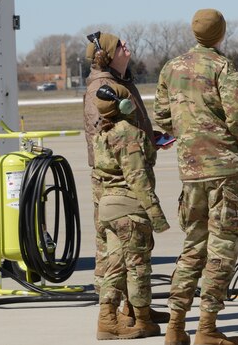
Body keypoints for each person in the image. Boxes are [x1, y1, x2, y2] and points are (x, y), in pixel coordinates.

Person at [154, 9, 238, 345]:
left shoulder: (172, 68)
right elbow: (237, 116)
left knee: (193, 246)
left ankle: (175, 327)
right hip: (223, 169)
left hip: (191, 170)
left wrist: (187, 137)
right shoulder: (224, 68)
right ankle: (208, 328)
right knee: (222, 247)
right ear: (220, 34)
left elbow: (162, 116)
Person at [83, 32, 170, 331]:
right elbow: (110, 137)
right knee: (118, 250)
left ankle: (135, 307)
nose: (126, 47)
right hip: (118, 180)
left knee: (136, 249)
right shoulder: (103, 88)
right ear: (108, 54)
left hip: (131, 166)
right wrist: (135, 148)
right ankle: (117, 313)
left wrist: (149, 140)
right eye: (120, 45)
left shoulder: (121, 81)